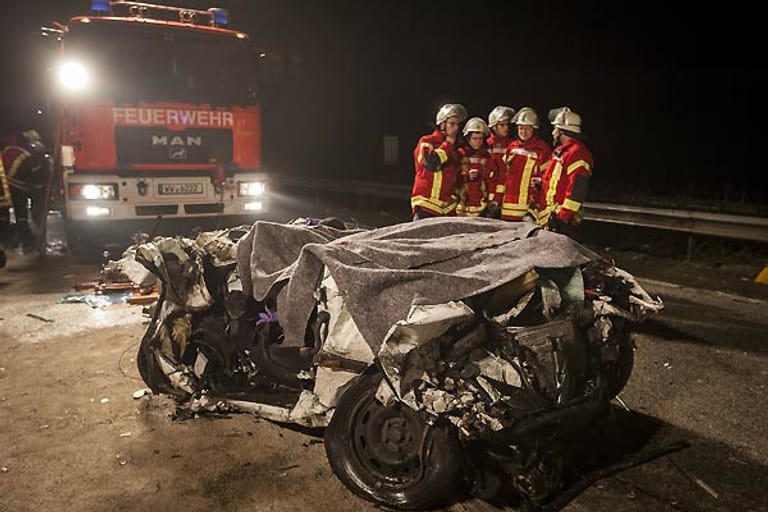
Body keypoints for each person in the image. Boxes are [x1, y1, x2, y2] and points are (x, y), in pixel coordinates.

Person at [538, 107, 593, 240]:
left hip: (564, 222)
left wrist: (562, 217)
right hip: (552, 217)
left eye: (555, 129)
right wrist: (541, 183)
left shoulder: (578, 153)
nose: (553, 133)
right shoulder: (562, 152)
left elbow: (577, 190)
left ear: (562, 131)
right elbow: (557, 180)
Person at [411, 103, 466, 220]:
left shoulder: (455, 150)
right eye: (452, 124)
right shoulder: (427, 141)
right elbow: (431, 163)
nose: (456, 128)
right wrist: (448, 143)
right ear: (442, 124)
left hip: (447, 209)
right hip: (426, 205)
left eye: (457, 125)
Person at [499, 107, 552, 222]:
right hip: (507, 206)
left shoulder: (542, 149)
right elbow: (503, 175)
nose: (523, 132)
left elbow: (547, 178)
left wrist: (535, 207)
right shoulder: (512, 147)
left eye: (527, 129)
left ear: (534, 130)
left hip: (528, 208)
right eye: (521, 128)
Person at [1, 130, 51, 250]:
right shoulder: (28, 156)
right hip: (18, 189)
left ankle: (7, 241)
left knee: (3, 216)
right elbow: (36, 177)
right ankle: (27, 242)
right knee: (21, 217)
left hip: (3, 189)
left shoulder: (8, 151)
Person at [456, 117, 494, 217]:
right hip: (461, 205)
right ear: (468, 138)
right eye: (474, 139)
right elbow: (452, 177)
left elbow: (491, 180)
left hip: (481, 206)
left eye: (480, 138)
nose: (478, 141)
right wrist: (466, 176)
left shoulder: (487, 156)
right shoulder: (460, 154)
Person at [485, 105, 515, 215]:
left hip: (508, 196)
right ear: (494, 127)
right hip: (487, 198)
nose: (506, 128)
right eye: (502, 125)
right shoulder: (486, 145)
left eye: (507, 125)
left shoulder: (513, 145)